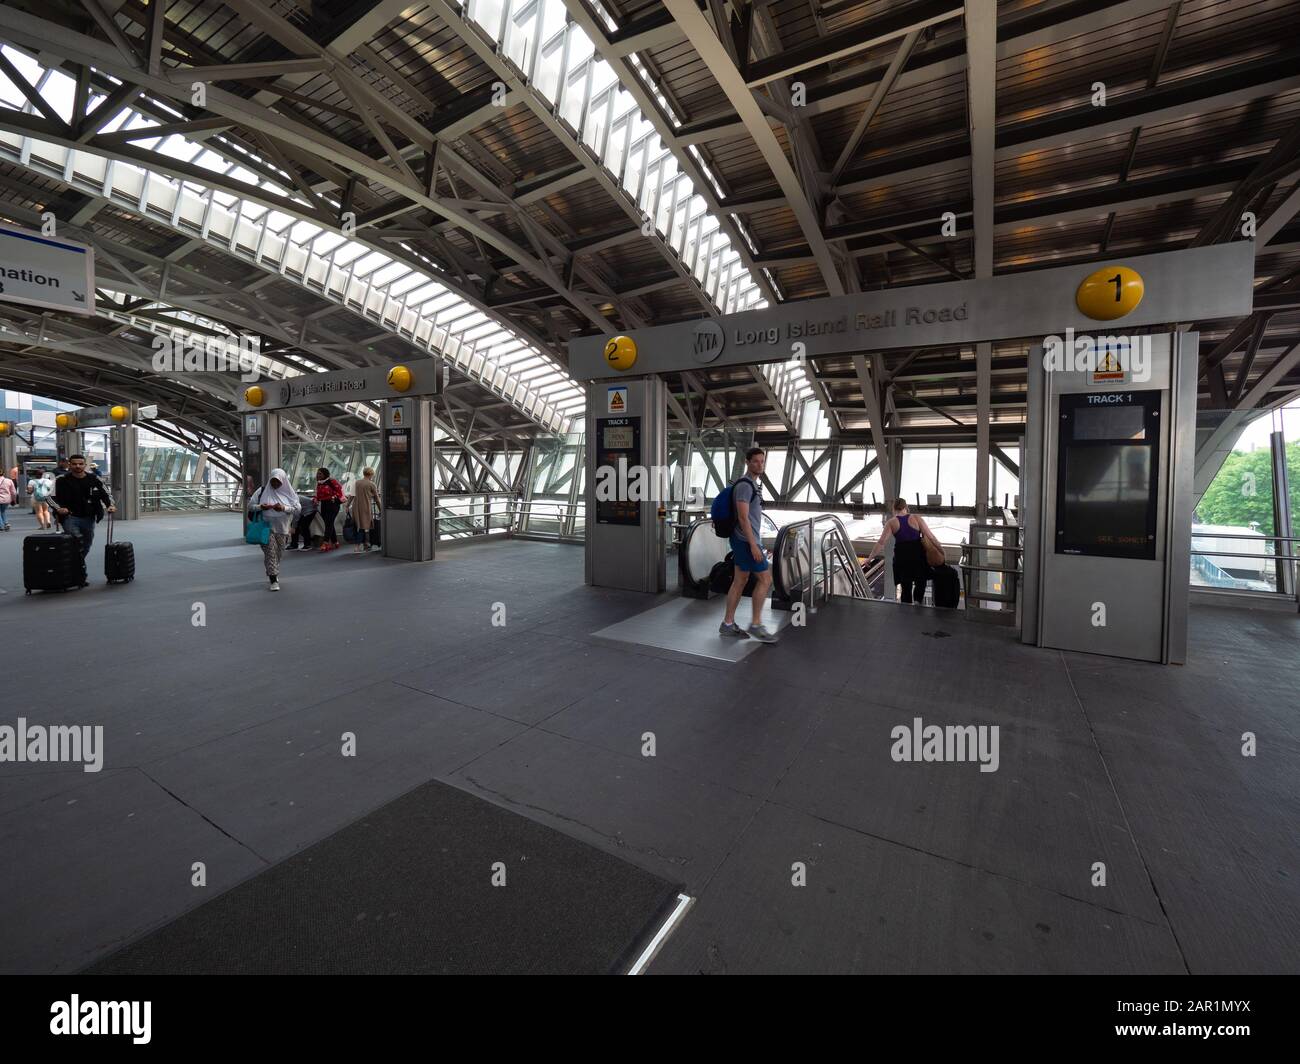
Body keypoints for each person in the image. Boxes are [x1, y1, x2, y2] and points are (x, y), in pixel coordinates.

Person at [719, 447, 779, 643]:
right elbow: (744, 519)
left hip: (743, 540)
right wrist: (754, 546)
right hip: (745, 541)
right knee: (765, 579)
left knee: (740, 580)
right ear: (747, 462)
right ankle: (756, 624)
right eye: (756, 461)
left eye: (762, 461)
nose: (760, 465)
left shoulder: (752, 484)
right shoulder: (745, 486)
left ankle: (727, 624)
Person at [867, 499, 943, 605]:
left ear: (894, 509)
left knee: (905, 586)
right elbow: (931, 537)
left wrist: (870, 558)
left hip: (902, 557)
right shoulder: (916, 518)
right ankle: (917, 602)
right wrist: (941, 551)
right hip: (918, 556)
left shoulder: (892, 523)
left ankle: (906, 610)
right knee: (921, 581)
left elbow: (881, 543)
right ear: (906, 507)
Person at [52, 454, 116, 557]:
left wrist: (110, 504)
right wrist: (59, 508)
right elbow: (50, 497)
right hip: (69, 517)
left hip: (89, 517)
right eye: (74, 464)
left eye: (80, 464)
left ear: (85, 465)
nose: (77, 466)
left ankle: (78, 564)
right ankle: (77, 566)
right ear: (69, 465)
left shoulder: (94, 479)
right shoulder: (61, 479)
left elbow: (106, 494)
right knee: (76, 540)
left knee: (87, 543)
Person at [248, 467, 300, 591]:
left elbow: (297, 509)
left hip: (283, 529)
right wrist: (261, 507)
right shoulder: (262, 491)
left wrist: (284, 508)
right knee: (270, 552)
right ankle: (273, 579)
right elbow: (251, 506)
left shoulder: (290, 493)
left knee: (279, 553)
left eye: (278, 481)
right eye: (273, 481)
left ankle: (272, 570)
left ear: (283, 481)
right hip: (266, 527)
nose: (275, 484)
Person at [348, 467, 381, 554]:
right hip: (365, 507)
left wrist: (347, 505)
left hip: (356, 506)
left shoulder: (357, 483)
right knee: (363, 526)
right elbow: (377, 499)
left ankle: (365, 544)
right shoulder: (372, 484)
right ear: (371, 474)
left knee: (358, 525)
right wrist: (381, 509)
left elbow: (351, 496)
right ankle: (358, 546)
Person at [314, 467, 345, 552]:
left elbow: (340, 491)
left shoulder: (332, 481)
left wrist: (334, 496)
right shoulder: (319, 483)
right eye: (318, 473)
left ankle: (325, 542)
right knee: (328, 523)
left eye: (320, 473)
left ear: (325, 474)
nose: (318, 475)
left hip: (333, 504)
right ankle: (335, 542)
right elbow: (318, 495)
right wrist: (316, 499)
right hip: (324, 504)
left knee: (329, 523)